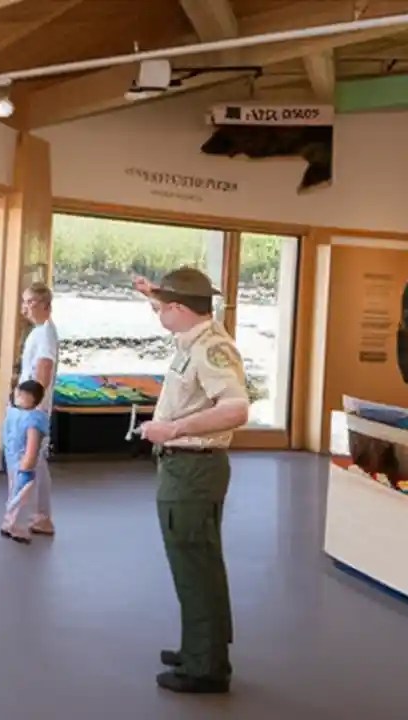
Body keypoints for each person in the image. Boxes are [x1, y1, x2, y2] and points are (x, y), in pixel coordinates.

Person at [132, 267, 249, 695]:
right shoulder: (197, 336)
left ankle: (206, 668)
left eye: (163, 306)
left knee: (194, 566)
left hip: (192, 468)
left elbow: (236, 408)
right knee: (198, 564)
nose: (158, 312)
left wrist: (172, 429)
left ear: (180, 309)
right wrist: (151, 294)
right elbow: (172, 311)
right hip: (189, 468)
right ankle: (202, 647)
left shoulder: (212, 349)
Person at [18, 282, 59, 535]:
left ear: (45, 305)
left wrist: (32, 402)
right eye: (24, 302)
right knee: (35, 459)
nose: (26, 308)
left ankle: (42, 515)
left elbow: (44, 368)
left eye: (30, 302)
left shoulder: (45, 334)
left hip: (35, 407)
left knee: (35, 459)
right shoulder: (40, 331)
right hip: (33, 404)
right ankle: (37, 513)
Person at [0, 380, 51, 544]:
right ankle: (15, 526)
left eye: (24, 395)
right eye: (18, 394)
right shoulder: (18, 414)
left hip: (22, 462)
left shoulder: (32, 419)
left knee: (20, 493)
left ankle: (13, 524)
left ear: (34, 399)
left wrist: (27, 463)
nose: (19, 398)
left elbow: (32, 444)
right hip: (18, 462)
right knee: (22, 495)